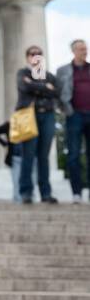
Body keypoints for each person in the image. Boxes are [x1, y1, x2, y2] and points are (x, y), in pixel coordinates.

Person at [16, 45, 61, 204]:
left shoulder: (49, 76)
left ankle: (46, 193)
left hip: (47, 115)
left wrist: (36, 87)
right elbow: (24, 86)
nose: (35, 56)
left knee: (44, 156)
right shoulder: (23, 73)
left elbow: (56, 92)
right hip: (29, 116)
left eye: (39, 54)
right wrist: (44, 88)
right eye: (32, 54)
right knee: (28, 155)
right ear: (27, 57)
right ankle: (26, 192)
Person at [56, 38, 90, 204]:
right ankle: (76, 192)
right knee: (74, 155)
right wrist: (66, 110)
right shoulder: (63, 70)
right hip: (74, 115)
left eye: (86, 48)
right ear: (74, 51)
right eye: (81, 49)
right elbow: (58, 93)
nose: (85, 51)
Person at [0, 120, 21, 202]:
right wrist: (5, 143)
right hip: (15, 157)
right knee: (16, 181)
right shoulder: (11, 124)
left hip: (31, 157)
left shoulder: (32, 122)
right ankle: (18, 200)